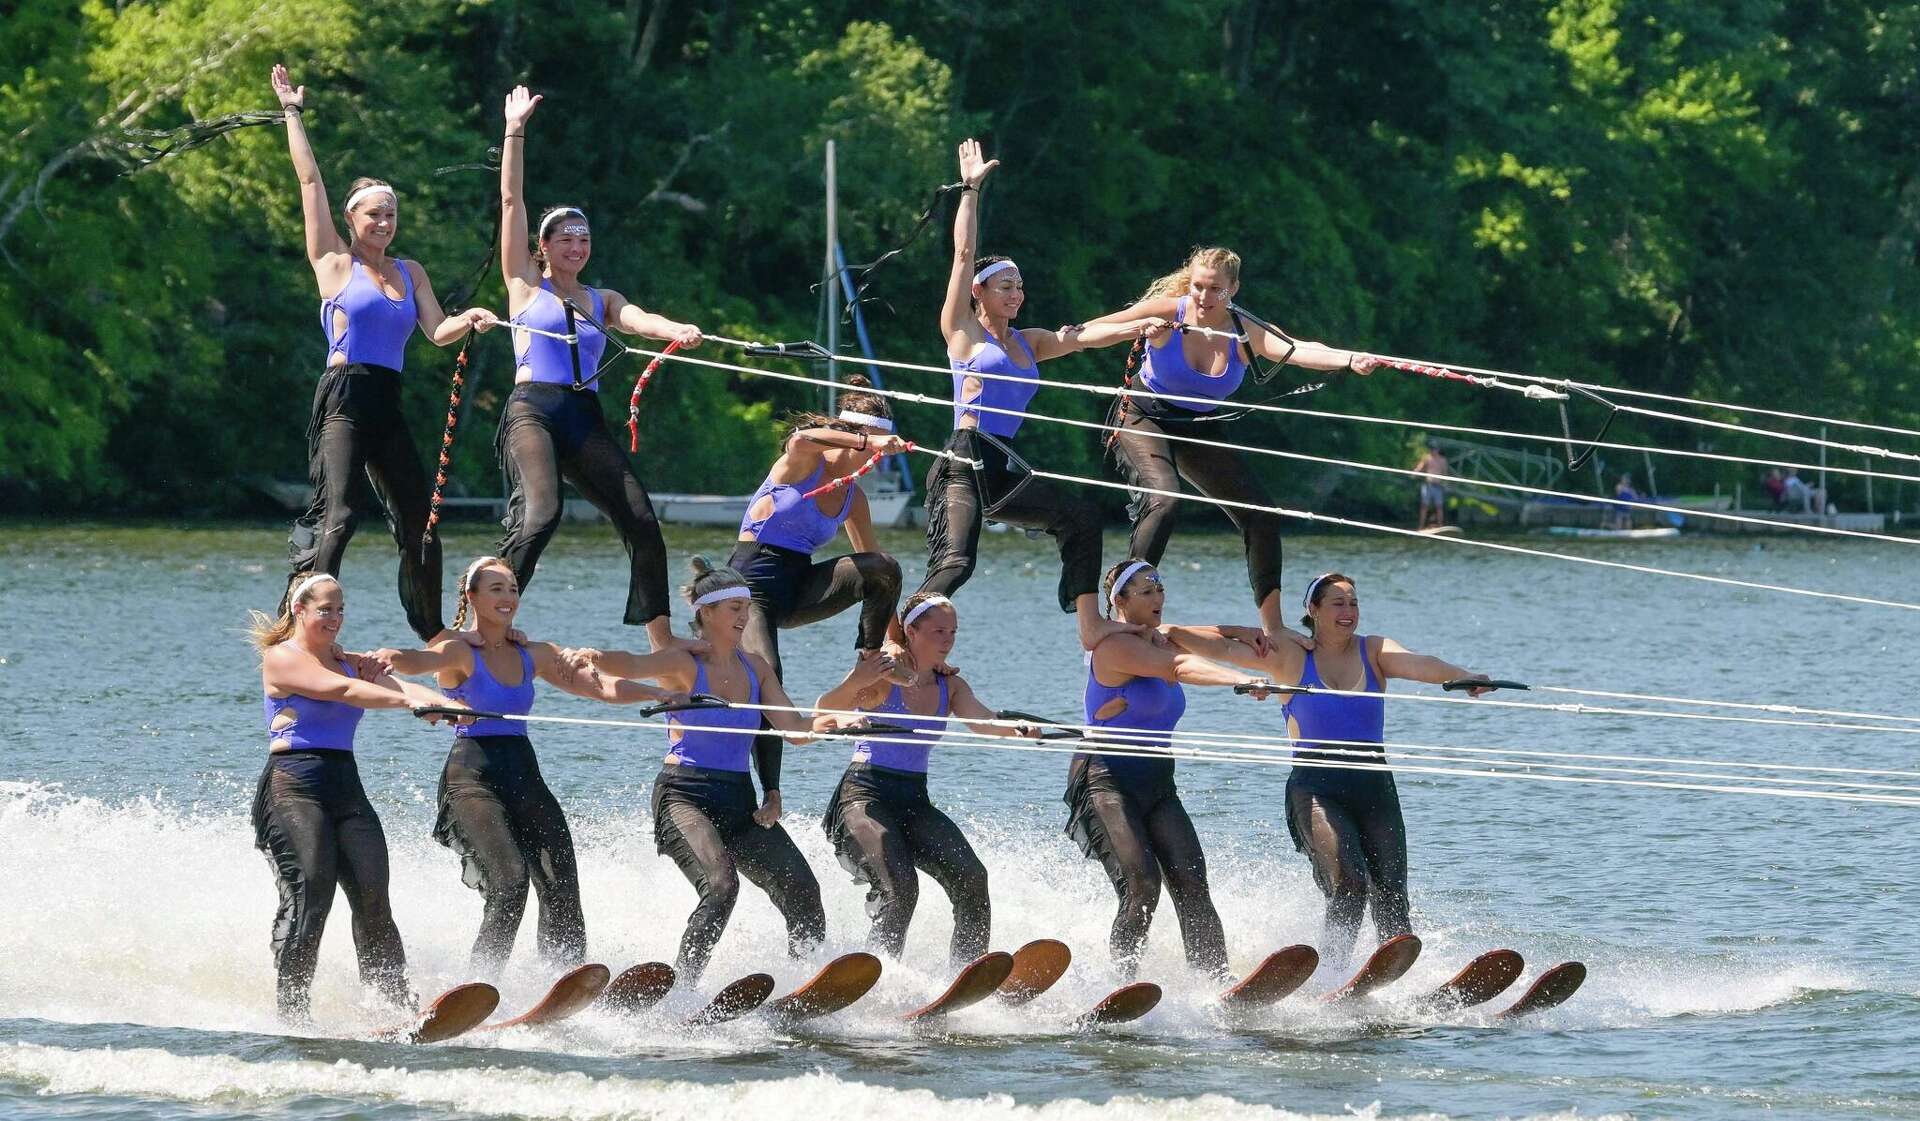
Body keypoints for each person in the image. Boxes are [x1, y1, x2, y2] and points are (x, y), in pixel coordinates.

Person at [270, 65, 499, 642]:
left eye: (391, 214)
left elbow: (437, 331)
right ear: (352, 219)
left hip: (387, 401)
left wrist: (467, 319)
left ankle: (429, 627)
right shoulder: (333, 263)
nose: (384, 222)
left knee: (421, 523)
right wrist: (292, 113)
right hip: (345, 397)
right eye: (374, 213)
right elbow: (309, 184)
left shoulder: (410, 271)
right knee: (340, 517)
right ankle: (301, 625)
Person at [372, 557, 684, 977]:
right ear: (473, 596)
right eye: (497, 589)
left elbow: (599, 686)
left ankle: (564, 980)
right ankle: (480, 982)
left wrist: (658, 695)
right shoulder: (458, 650)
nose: (508, 598)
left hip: (524, 773)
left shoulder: (532, 653)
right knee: (510, 883)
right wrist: (388, 657)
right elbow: (415, 661)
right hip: (472, 778)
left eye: (513, 589)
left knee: (561, 882)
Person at [918, 139, 1175, 650]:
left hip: (1003, 467)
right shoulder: (963, 332)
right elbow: (963, 254)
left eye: (1020, 286)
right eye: (1005, 286)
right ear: (980, 292)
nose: (1016, 294)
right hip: (963, 461)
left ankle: (1090, 625)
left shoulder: (1028, 342)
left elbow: (1080, 337)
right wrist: (970, 190)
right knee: (957, 564)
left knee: (1081, 519)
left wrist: (1140, 324)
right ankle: (899, 640)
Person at [495, 86, 704, 650]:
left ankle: (662, 638)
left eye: (584, 238)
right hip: (533, 409)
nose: (577, 245)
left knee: (640, 518)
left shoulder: (600, 298)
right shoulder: (522, 284)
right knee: (541, 515)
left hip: (583, 416)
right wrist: (516, 130)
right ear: (543, 247)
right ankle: (487, 621)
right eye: (565, 238)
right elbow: (511, 202)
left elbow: (639, 318)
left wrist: (676, 330)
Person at [1086, 247, 1380, 642]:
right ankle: (1125, 614)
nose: (1204, 299)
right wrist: (1136, 331)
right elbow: (1094, 329)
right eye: (1198, 288)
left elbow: (1299, 350)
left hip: (1199, 427)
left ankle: (1273, 628)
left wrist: (1349, 359)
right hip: (1143, 415)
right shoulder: (1168, 311)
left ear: (1234, 289)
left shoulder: (1246, 332)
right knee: (1164, 498)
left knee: (1261, 514)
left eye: (1215, 291)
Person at [1201, 572, 1491, 969]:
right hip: (1316, 788)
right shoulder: (1292, 656)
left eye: (1353, 602)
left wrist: (1462, 675)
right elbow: (1221, 650)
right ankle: (1331, 974)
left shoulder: (1374, 650)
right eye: (1337, 603)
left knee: (1392, 895)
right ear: (1313, 610)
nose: (1348, 611)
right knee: (1350, 883)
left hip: (1374, 786)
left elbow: (1419, 663)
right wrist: (1164, 634)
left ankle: (1395, 981)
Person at [571, 557, 825, 984]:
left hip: (739, 803)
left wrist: (842, 714)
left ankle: (805, 983)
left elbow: (796, 729)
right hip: (684, 797)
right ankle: (683, 986)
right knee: (722, 886)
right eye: (734, 609)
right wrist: (593, 657)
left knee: (803, 889)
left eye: (747, 607)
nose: (745, 617)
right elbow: (631, 666)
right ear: (706, 613)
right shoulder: (683, 663)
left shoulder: (757, 668)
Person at [248, 573, 470, 1021]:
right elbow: (349, 692)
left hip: (344, 785)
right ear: (300, 610)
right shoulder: (281, 659)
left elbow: (401, 688)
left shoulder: (350, 660)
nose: (335, 618)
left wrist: (449, 704)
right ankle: (293, 1016)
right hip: (294, 785)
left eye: (340, 609)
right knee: (313, 893)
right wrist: (410, 705)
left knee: (373, 897)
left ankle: (393, 1009)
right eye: (325, 609)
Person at [1064, 559, 1275, 979]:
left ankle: (1214, 981)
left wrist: (1245, 632)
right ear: (1119, 602)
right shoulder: (1113, 648)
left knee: (1194, 884)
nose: (1158, 597)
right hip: (1106, 781)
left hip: (1158, 784)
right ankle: (1119, 984)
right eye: (1146, 592)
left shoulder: (1165, 636)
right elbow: (1178, 667)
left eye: (1160, 588)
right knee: (1142, 887)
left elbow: (1212, 636)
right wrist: (1238, 680)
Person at [813, 593, 1039, 964]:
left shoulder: (950, 686)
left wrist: (1017, 728)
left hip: (913, 800)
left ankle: (966, 972)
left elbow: (982, 721)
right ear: (911, 631)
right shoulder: (884, 673)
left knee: (972, 879)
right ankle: (878, 978)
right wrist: (847, 714)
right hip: (865, 795)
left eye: (953, 631)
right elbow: (825, 709)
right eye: (938, 631)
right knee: (900, 888)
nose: (948, 640)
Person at [729, 375, 911, 685]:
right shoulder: (804, 463)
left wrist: (896, 638)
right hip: (752, 585)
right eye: (872, 452)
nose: (876, 460)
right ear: (853, 438)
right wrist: (870, 442)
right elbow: (800, 438)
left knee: (884, 566)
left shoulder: (854, 498)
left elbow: (879, 572)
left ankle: (870, 656)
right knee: (767, 678)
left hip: (798, 588)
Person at [1414, 443, 1451, 530]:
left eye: (1434, 449)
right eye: (1431, 449)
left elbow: (1445, 473)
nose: (1432, 451)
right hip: (1428, 485)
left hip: (1438, 486)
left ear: (1438, 450)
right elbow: (1420, 468)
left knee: (1439, 507)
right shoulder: (1427, 458)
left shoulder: (1443, 460)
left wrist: (1447, 484)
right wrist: (1414, 474)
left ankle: (1440, 526)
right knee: (1424, 506)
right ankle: (1421, 527)